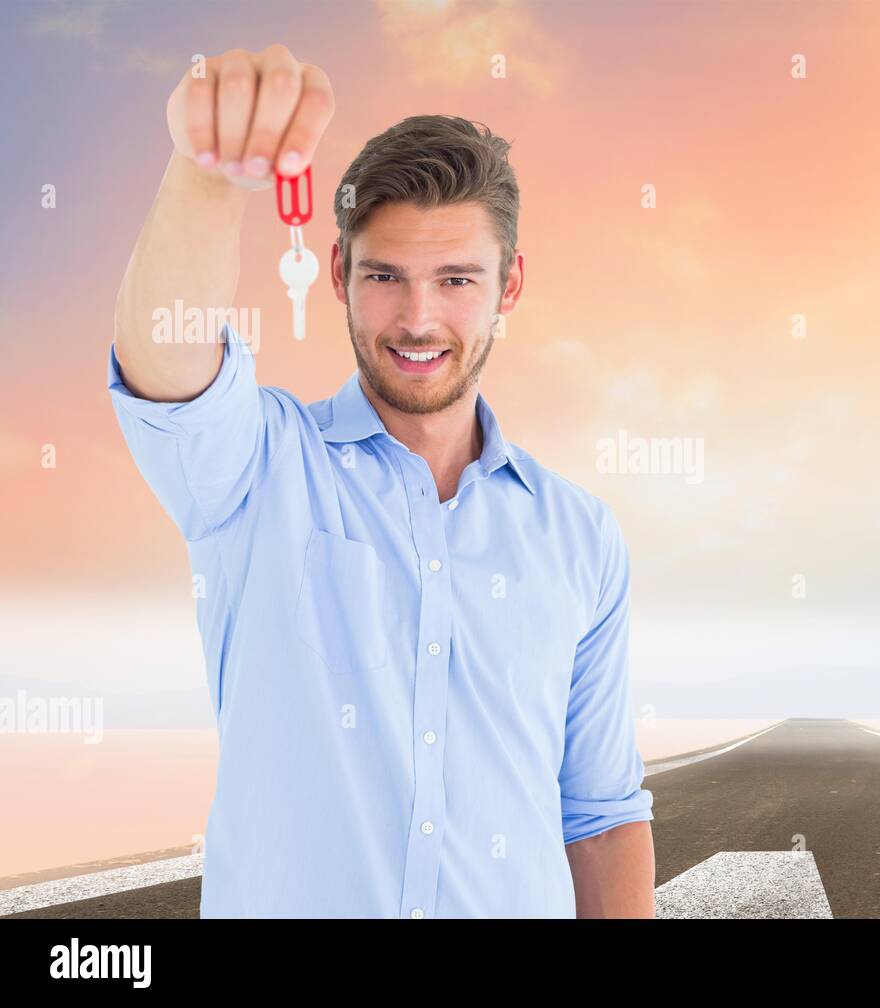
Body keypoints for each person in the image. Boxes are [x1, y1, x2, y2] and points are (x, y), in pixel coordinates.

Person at [108, 44, 655, 918]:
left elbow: (598, 819)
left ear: (510, 286)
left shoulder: (579, 536)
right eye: (385, 276)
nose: (418, 319)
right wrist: (205, 176)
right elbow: (166, 369)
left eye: (457, 280)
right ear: (336, 275)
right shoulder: (258, 471)